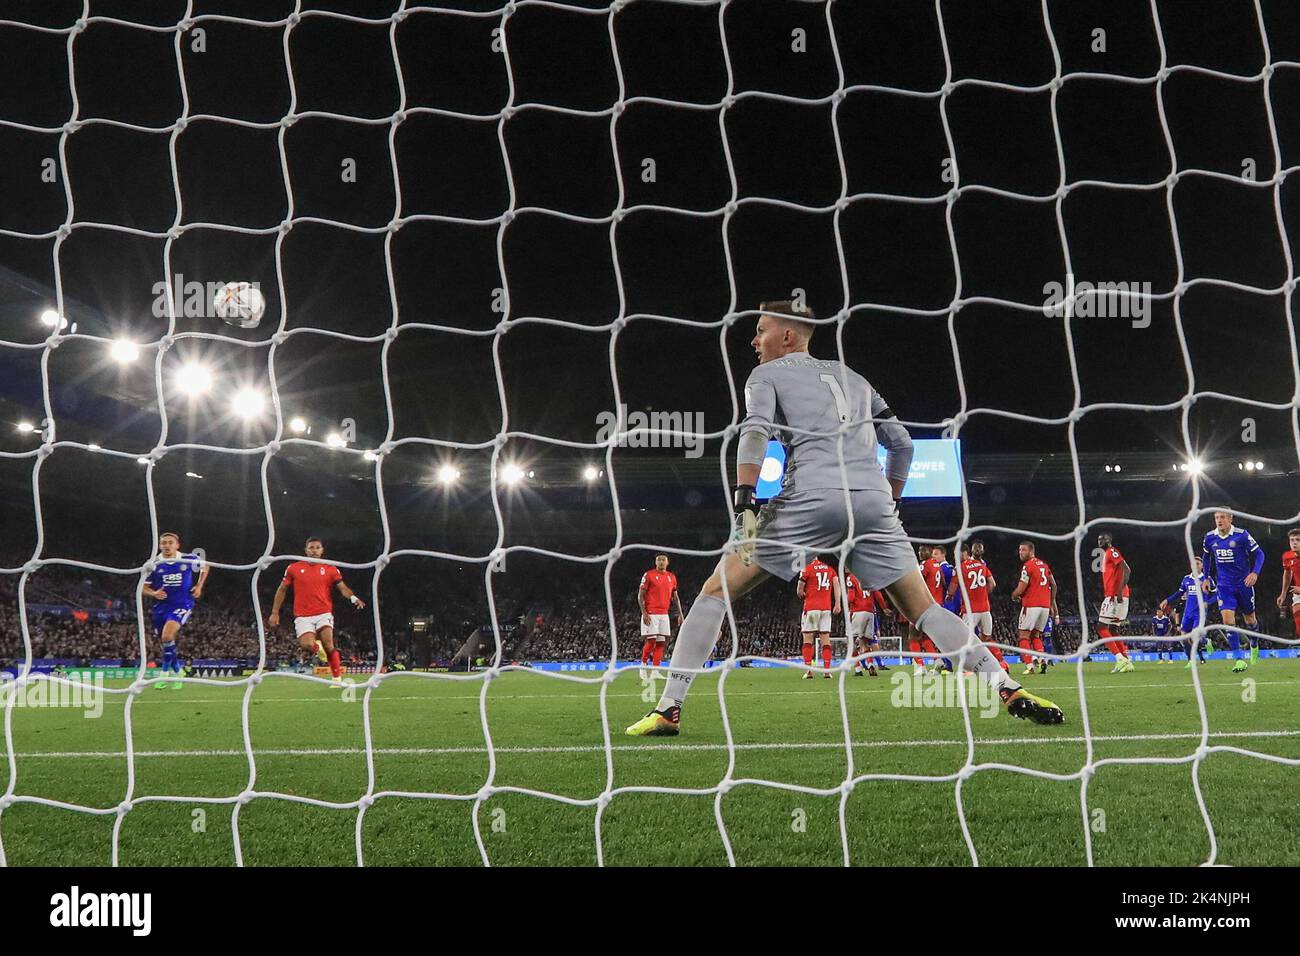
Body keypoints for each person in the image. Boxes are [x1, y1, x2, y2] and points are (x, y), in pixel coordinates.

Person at [626, 300, 1062, 736]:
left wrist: (745, 500)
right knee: (924, 609)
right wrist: (887, 499)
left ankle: (669, 708)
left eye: (761, 330)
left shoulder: (766, 375)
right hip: (872, 503)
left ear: (788, 336)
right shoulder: (854, 378)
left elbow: (755, 429)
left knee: (715, 592)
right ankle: (1005, 685)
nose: (753, 340)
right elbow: (903, 444)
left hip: (809, 499)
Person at [268, 537, 366, 684]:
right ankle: (316, 648)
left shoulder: (330, 568)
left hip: (323, 612)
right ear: (306, 550)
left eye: (317, 547)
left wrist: (353, 598)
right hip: (302, 615)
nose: (314, 550)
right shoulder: (293, 568)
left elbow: (342, 588)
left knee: (329, 644)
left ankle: (337, 678)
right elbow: (282, 589)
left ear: (322, 550)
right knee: (307, 644)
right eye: (311, 548)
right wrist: (275, 612)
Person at [142, 532, 208, 690]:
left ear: (177, 545)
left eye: (170, 542)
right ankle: (178, 673)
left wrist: (199, 586)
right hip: (161, 607)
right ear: (159, 546)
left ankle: (164, 674)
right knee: (167, 642)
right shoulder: (154, 564)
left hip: (183, 604)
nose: (166, 545)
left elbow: (205, 567)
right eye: (163, 543)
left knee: (167, 635)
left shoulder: (188, 558)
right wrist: (154, 593)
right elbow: (143, 588)